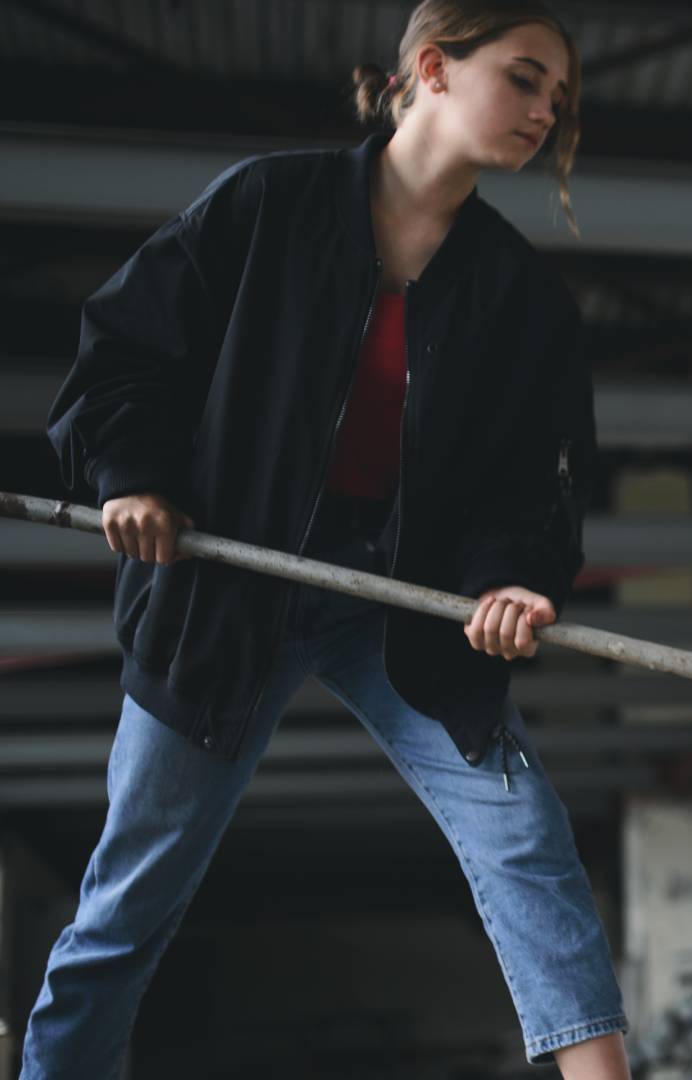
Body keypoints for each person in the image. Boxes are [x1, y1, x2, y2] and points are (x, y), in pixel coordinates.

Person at [26, 2, 629, 1075]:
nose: (547, 111)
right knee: (130, 894)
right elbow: (123, 352)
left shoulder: (521, 298)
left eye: (559, 96)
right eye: (527, 78)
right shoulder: (268, 206)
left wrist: (512, 584)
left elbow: (533, 484)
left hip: (399, 606)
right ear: (434, 68)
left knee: (524, 836)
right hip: (226, 592)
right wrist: (138, 482)